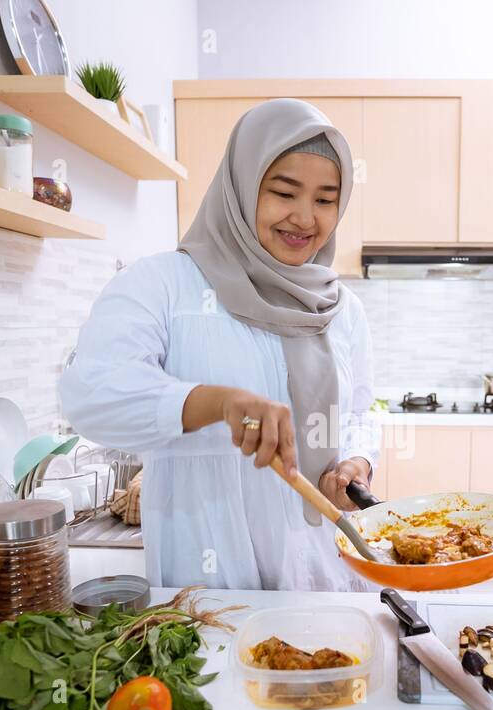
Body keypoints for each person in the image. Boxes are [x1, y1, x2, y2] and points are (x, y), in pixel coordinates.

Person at [60, 98, 379, 591]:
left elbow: (360, 412)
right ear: (241, 185)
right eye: (283, 192)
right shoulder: (163, 284)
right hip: (212, 582)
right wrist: (215, 402)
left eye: (325, 199)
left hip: (324, 579)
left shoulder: (342, 309)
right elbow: (90, 398)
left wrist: (356, 462)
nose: (304, 217)